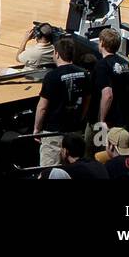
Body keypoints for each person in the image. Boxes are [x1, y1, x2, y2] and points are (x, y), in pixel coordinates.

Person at [34, 38, 90, 167]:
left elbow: (42, 107)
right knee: (73, 170)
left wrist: (37, 129)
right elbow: (87, 100)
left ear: (57, 53)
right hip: (75, 131)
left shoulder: (51, 76)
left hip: (54, 133)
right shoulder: (84, 74)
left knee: (50, 170)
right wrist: (80, 118)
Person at [95, 27, 129, 129]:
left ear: (101, 43)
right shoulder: (125, 63)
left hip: (108, 119)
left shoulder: (102, 65)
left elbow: (108, 95)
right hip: (123, 117)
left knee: (100, 143)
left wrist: (101, 120)